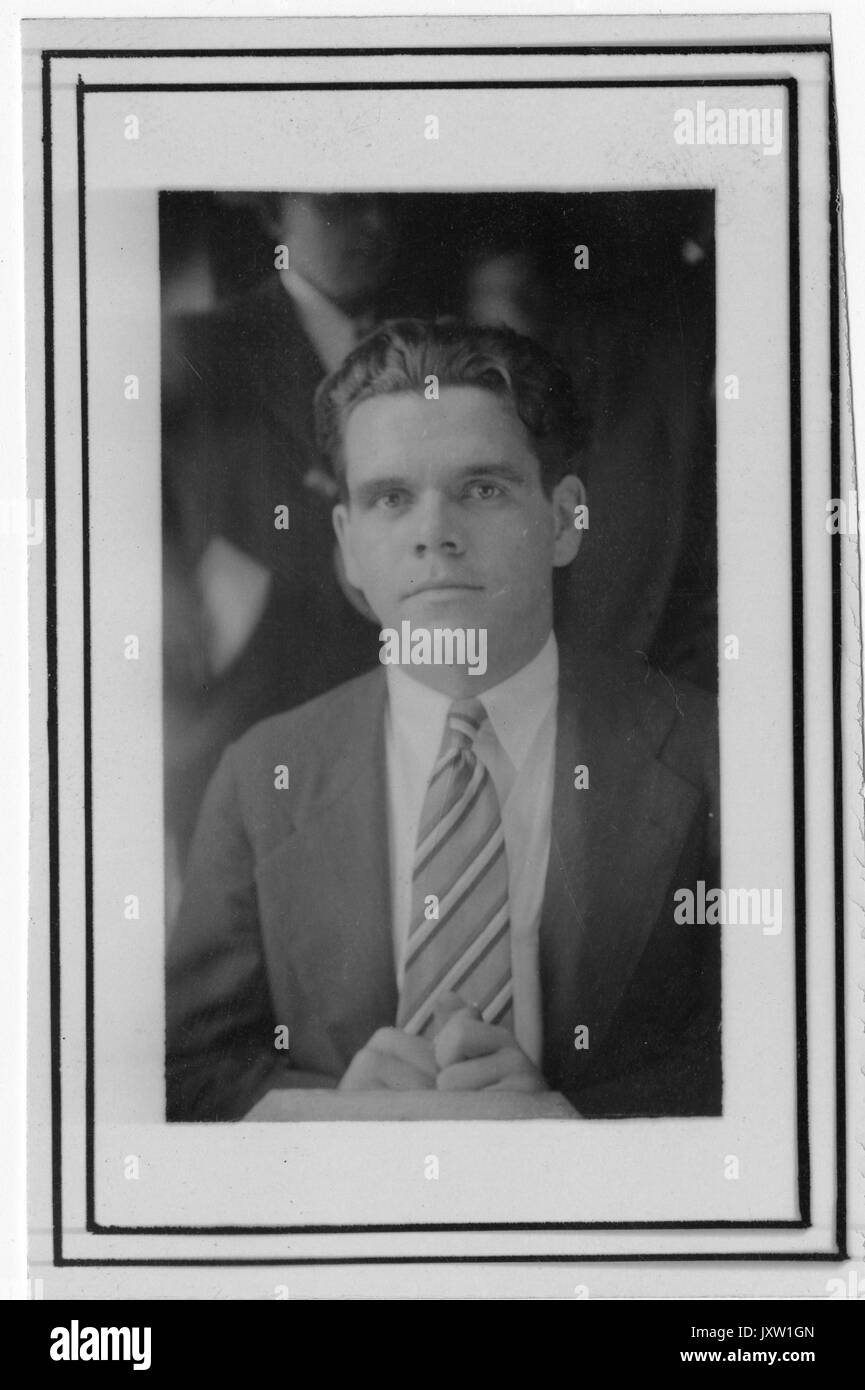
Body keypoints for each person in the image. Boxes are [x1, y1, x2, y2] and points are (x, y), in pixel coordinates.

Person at [166, 318, 721, 1122]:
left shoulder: (712, 756)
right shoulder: (261, 775)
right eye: (390, 498)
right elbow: (187, 1068)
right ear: (349, 546)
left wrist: (575, 1130)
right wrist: (329, 1116)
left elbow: (782, 1058)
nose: (434, 533)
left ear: (564, 520)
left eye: (482, 489)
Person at [162, 194, 396, 888]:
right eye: (339, 204)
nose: (373, 224)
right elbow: (95, 476)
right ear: (274, 217)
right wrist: (158, 578)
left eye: (386, 204)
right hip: (249, 697)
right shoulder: (198, 343)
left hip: (381, 698)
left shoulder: (421, 342)